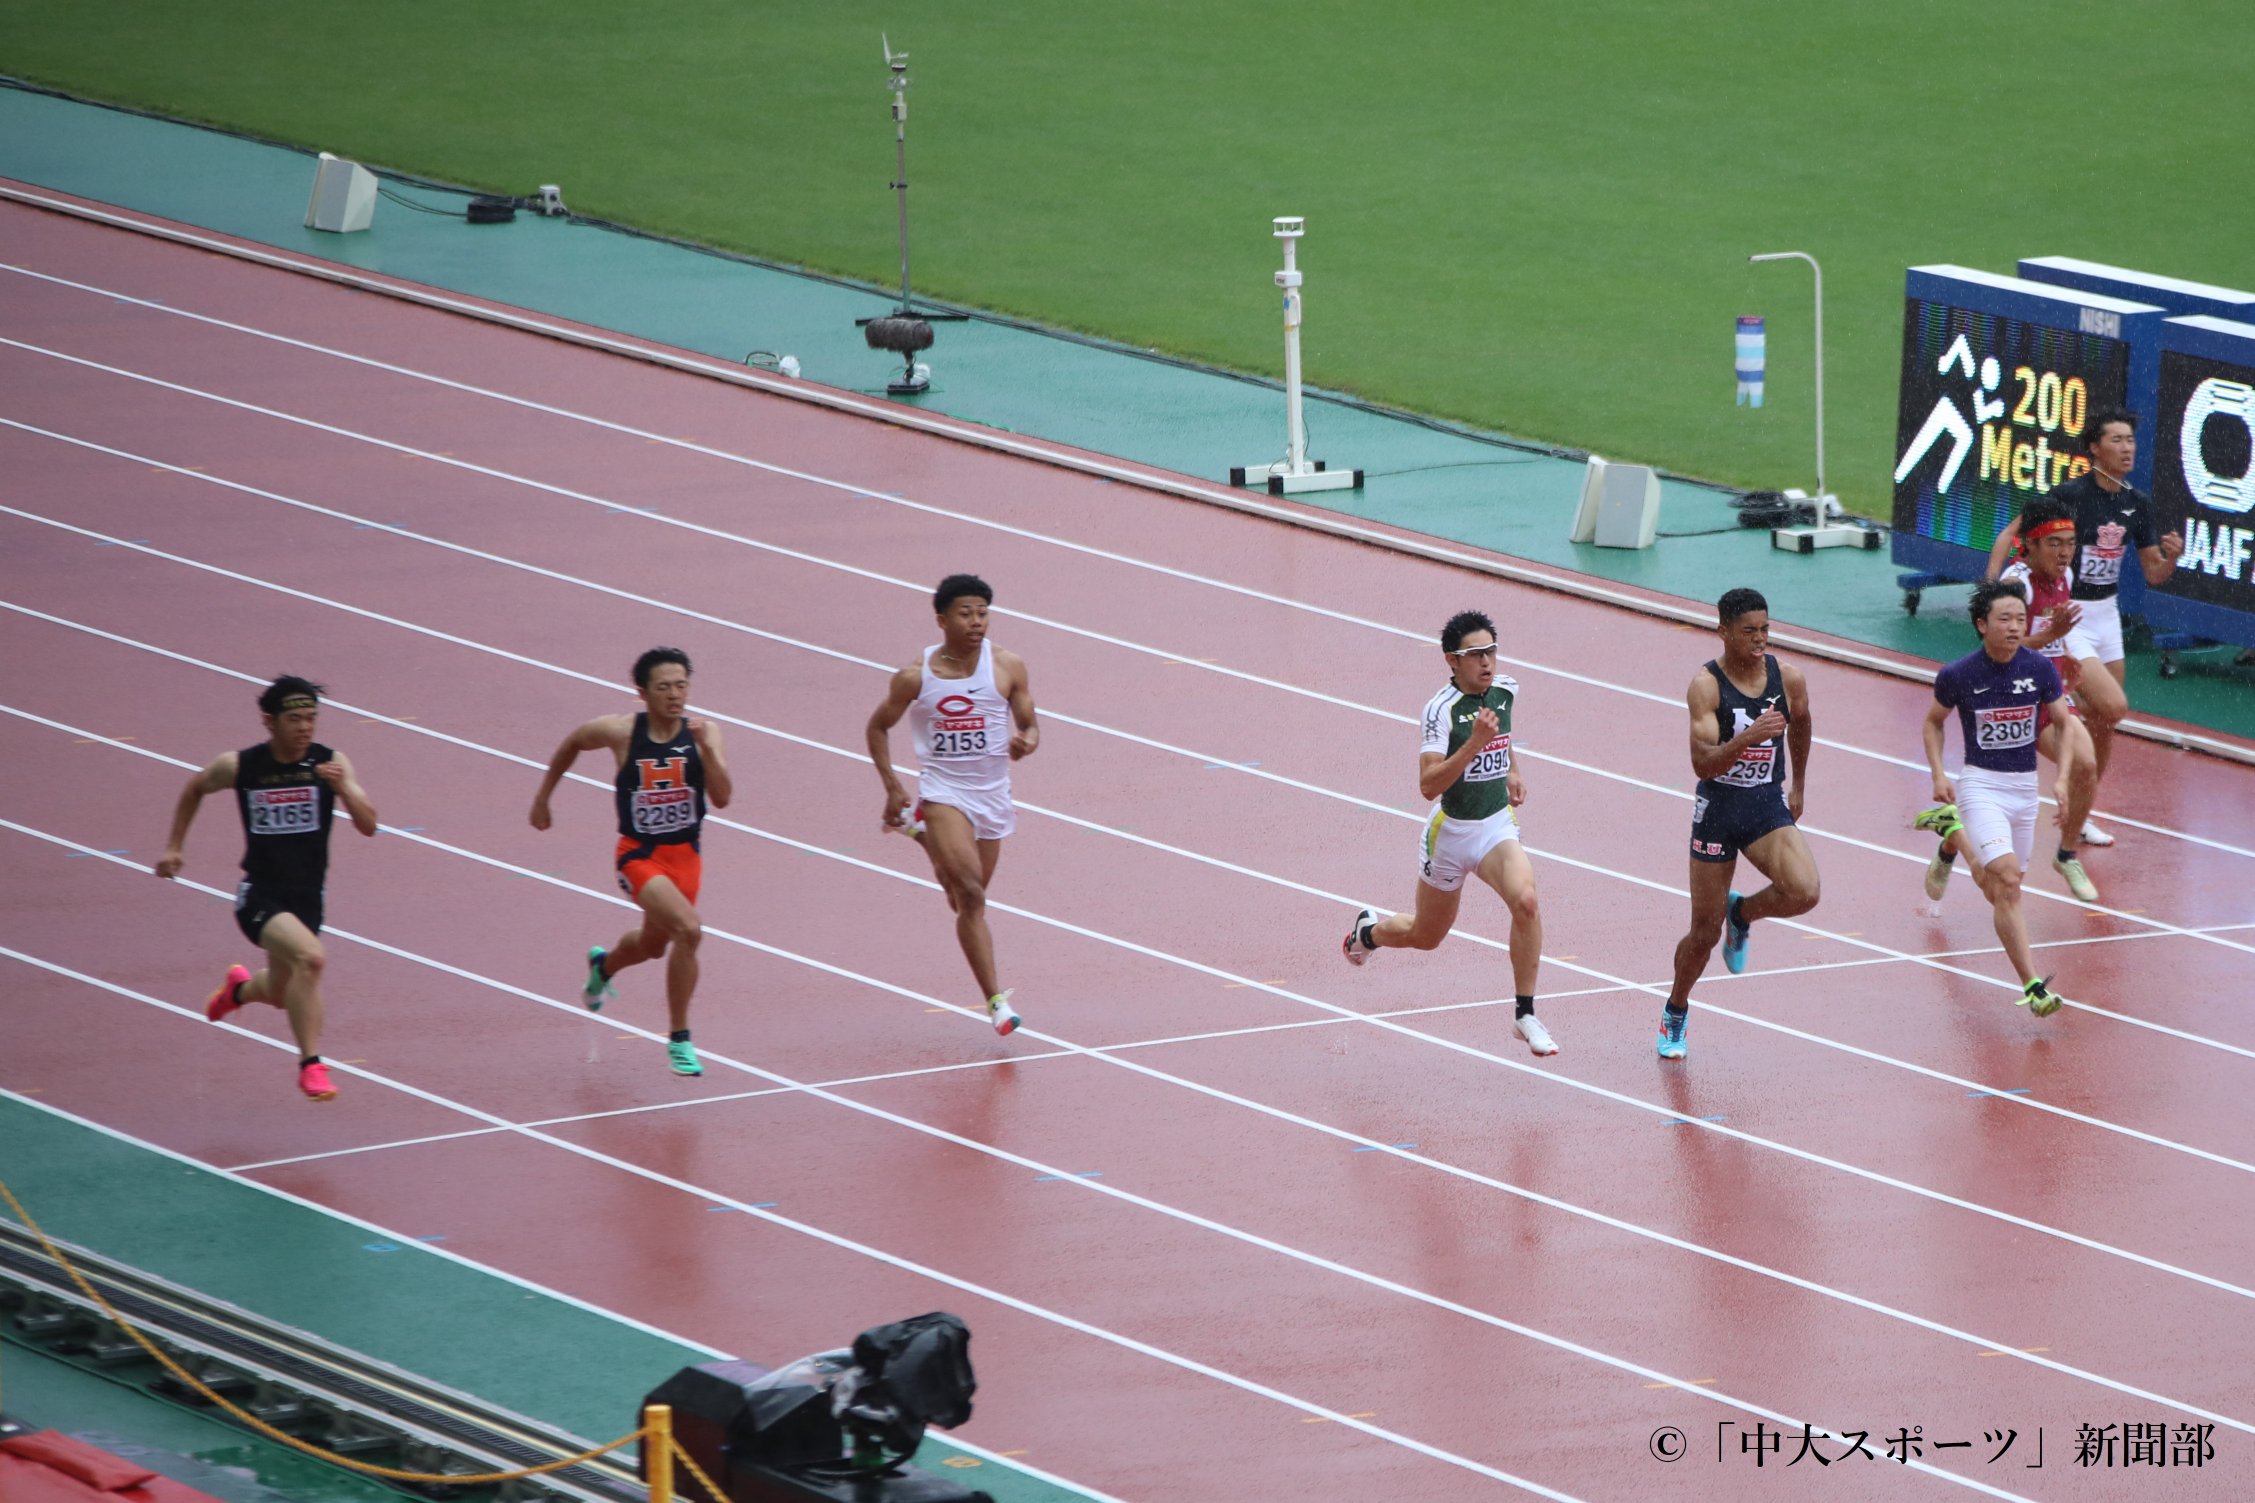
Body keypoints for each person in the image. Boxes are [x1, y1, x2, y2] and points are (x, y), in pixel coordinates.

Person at [1341, 610, 1555, 1057]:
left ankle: (1525, 1013)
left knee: (1527, 901)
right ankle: (1369, 935)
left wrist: (1512, 769)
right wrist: (1474, 744)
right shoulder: (1439, 711)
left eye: (1491, 651)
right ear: (1451, 661)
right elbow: (1428, 785)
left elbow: (1502, 732)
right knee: (1427, 935)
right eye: (1475, 655)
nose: (1487, 662)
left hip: (1495, 824)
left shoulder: (1506, 690)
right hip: (1451, 833)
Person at [155, 676, 379, 1101]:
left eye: (311, 719)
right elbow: (194, 787)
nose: (304, 728)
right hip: (259, 895)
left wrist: (343, 787)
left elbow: (369, 825)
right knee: (310, 960)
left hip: (307, 899)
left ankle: (237, 990)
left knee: (282, 992)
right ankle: (311, 1066)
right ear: (269, 721)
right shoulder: (241, 766)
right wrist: (174, 847)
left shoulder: (331, 763)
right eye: (294, 719)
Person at [1984, 407, 2184, 847]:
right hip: (2068, 611)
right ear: (2094, 448)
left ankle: (2081, 811)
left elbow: (2153, 573)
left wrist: (2171, 557)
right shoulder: (2070, 495)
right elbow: (2009, 535)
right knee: (2112, 705)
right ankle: (2041, 725)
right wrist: (1992, 589)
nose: (2126, 447)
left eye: (2130, 439)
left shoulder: (2137, 502)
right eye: (2116, 439)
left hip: (2106, 616)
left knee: (2104, 721)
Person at [529, 647, 732, 1076]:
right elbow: (572, 743)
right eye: (664, 687)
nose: (675, 695)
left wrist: (709, 753)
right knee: (689, 931)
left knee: (654, 946)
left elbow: (724, 798)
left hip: (686, 856)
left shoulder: (705, 733)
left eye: (681, 686)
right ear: (642, 693)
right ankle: (679, 1040)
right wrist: (544, 797)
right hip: (638, 855)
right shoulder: (621, 732)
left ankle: (603, 966)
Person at [866, 575, 1040, 1037]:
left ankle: (917, 832)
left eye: (983, 612)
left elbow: (1030, 720)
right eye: (966, 613)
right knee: (971, 894)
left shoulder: (1007, 666)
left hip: (993, 794)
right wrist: (891, 784)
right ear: (942, 619)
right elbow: (877, 728)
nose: (976, 622)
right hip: (944, 790)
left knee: (961, 898)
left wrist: (1028, 740)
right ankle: (997, 1002)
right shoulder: (914, 676)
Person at [1655, 588, 1819, 1060]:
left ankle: (1742, 914)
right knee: (1703, 934)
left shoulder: (1788, 678)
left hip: (1766, 804)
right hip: (1719, 811)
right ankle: (1676, 1007)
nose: (1760, 639)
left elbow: (1803, 724)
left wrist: (1800, 785)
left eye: (1766, 629)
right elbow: (1701, 764)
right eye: (1749, 631)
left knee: (1805, 891)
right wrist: (1748, 737)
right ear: (1723, 631)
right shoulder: (1705, 686)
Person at [1912, 581, 2072, 1017]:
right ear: (1982, 624)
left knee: (1997, 890)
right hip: (1981, 785)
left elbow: (2063, 724)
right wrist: (1939, 772)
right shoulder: (1959, 675)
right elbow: (1933, 723)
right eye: (2005, 619)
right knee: (2007, 881)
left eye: (2021, 618)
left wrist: (2063, 779)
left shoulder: (2039, 669)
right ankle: (2033, 986)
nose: (2015, 627)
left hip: (2024, 789)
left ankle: (1952, 833)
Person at [1989, 495, 2102, 902]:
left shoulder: (2065, 579)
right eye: (2055, 544)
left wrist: (2064, 655)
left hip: (2048, 690)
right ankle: (1950, 842)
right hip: (2009, 697)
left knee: (2086, 765)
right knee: (1992, 799)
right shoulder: (2014, 586)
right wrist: (2047, 640)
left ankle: (2066, 853)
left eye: (2071, 543)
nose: (2065, 552)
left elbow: (2049, 640)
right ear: (2030, 545)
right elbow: (1998, 648)